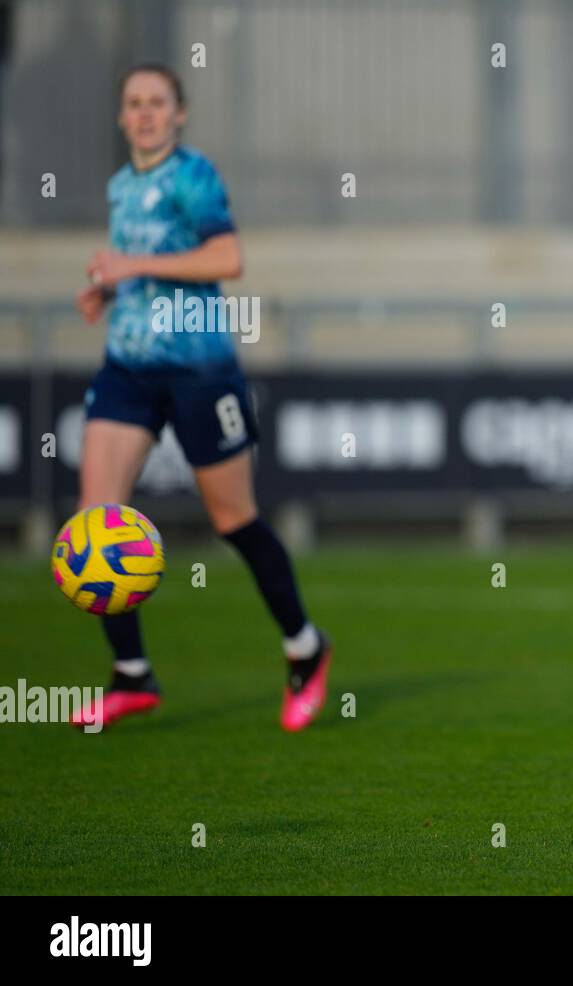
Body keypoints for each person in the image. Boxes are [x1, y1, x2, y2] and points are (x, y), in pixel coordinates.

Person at [70, 64, 331, 732]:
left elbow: (226, 259)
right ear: (121, 116)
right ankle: (132, 672)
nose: (146, 113)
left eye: (158, 102)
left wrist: (134, 267)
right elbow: (142, 268)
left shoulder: (193, 177)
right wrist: (109, 290)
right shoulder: (122, 185)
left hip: (199, 367)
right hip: (129, 367)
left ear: (179, 113)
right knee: (97, 522)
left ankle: (304, 645)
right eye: (134, 103)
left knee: (233, 519)